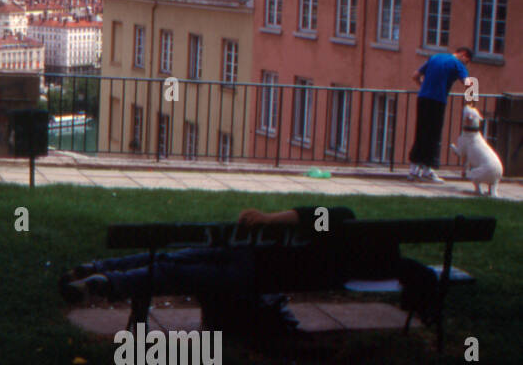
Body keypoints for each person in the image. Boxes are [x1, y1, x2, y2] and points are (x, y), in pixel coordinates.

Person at [60, 205, 438, 327]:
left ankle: (98, 270)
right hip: (253, 272)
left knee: (174, 259)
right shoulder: (350, 269)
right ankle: (104, 282)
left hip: (248, 254)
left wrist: (268, 219)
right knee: (175, 269)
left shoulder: (345, 224)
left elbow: (312, 213)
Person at [408, 47, 472, 183]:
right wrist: (471, 102)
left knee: (420, 132)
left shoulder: (435, 57)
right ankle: (427, 170)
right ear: (464, 55)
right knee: (433, 135)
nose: (466, 64)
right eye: (467, 61)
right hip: (438, 100)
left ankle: (413, 170)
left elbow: (415, 76)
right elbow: (468, 83)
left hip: (423, 98)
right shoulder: (457, 64)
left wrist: (424, 87)